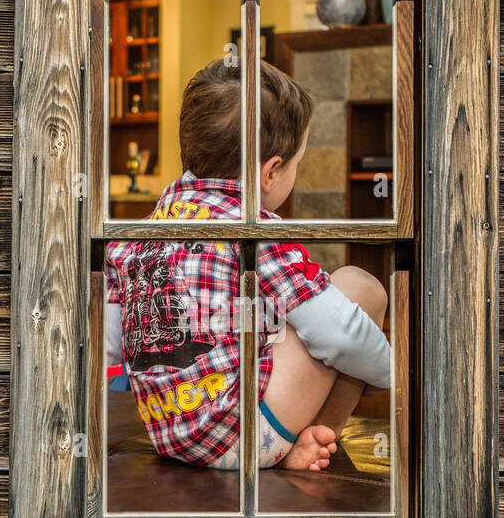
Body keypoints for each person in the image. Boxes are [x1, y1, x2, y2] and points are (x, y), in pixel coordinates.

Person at [106, 59, 390, 473]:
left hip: (169, 437)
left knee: (272, 313)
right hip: (244, 436)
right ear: (272, 171)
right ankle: (322, 433)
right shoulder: (257, 231)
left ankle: (298, 446)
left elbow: (110, 341)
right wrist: (388, 374)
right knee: (359, 287)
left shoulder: (142, 230)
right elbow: (340, 336)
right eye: (297, 164)